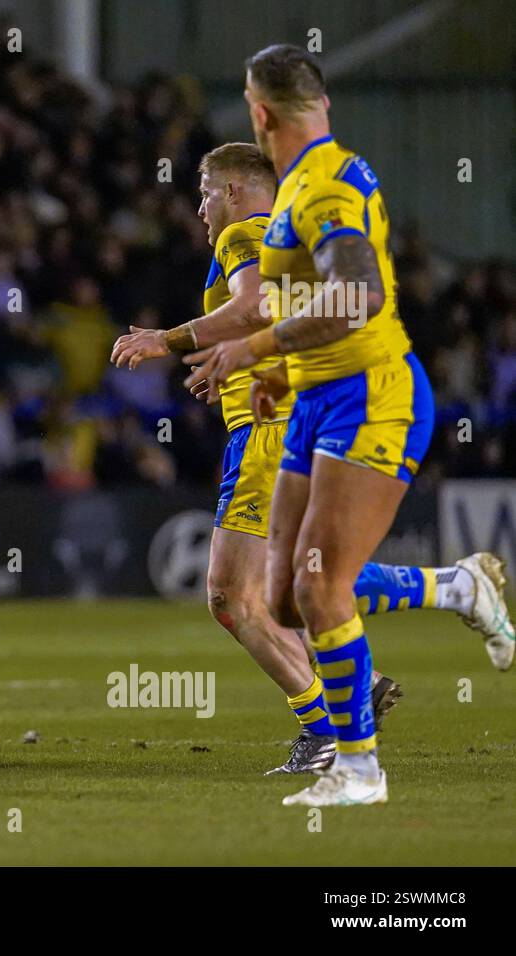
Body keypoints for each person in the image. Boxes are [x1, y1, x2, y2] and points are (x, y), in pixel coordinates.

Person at [112, 143, 512, 775]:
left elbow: (253, 306)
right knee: (298, 583)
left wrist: (164, 339)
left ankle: (324, 726)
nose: (200, 207)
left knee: (230, 597)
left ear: (236, 193)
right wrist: (239, 365)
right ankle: (452, 591)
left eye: (206, 192)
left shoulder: (242, 233)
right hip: (300, 415)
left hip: (269, 435)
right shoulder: (290, 244)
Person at [188, 44, 513, 806]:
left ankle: (357, 766)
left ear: (258, 112)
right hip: (314, 399)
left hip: (369, 395)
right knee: (287, 596)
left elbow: (357, 295)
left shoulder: (323, 188)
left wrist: (256, 346)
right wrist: (274, 373)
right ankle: (457, 588)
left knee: (310, 585)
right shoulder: (301, 186)